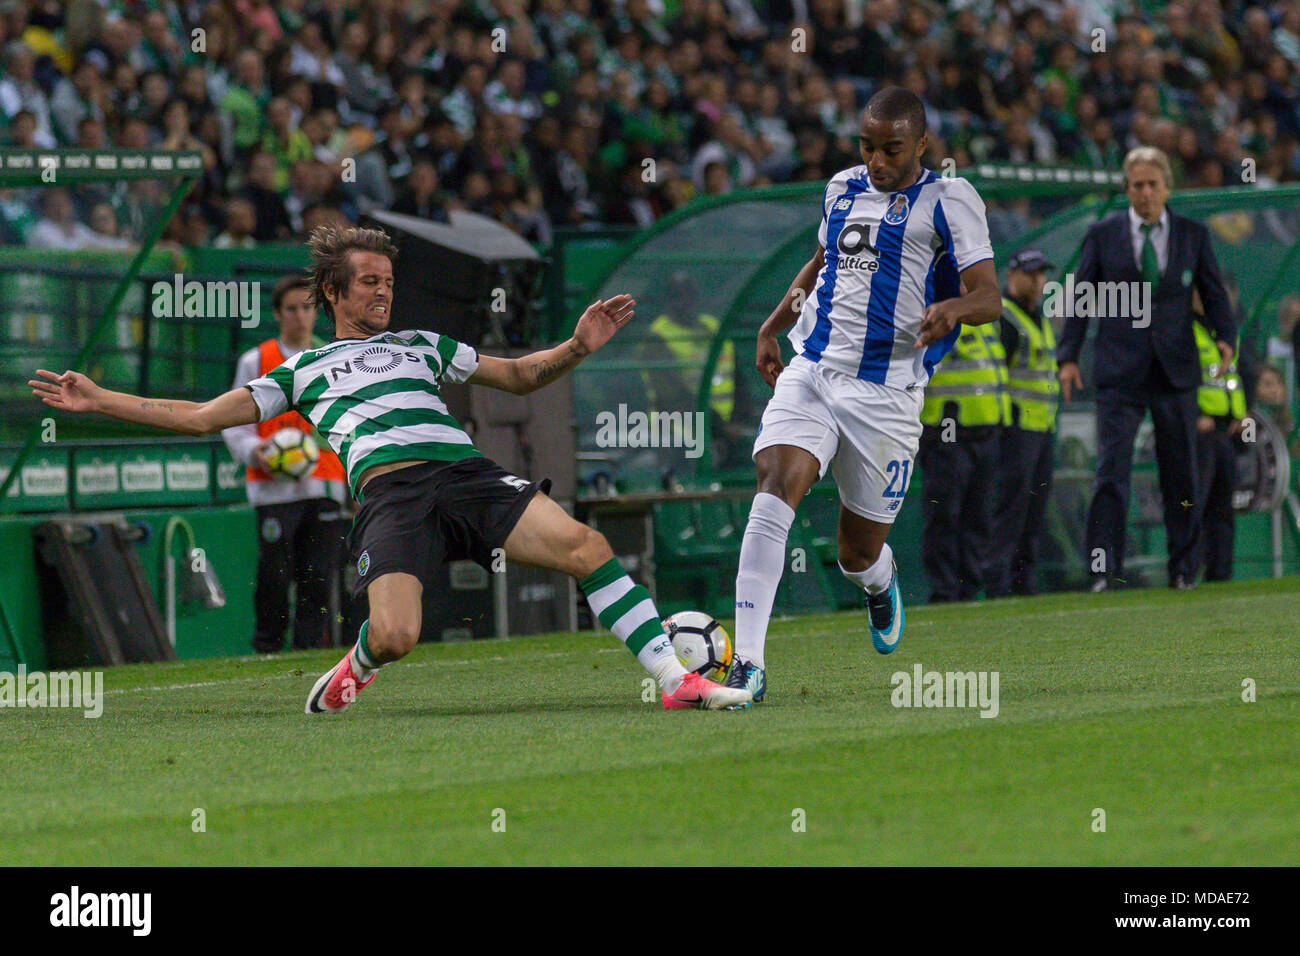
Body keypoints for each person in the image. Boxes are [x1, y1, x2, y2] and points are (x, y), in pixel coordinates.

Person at [30, 225, 752, 714]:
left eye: (387, 280)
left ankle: (671, 679)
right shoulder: (302, 368)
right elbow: (197, 417)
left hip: (466, 474)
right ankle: (357, 666)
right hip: (390, 496)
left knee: (587, 547)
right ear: (334, 296)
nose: (382, 290)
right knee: (399, 635)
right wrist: (101, 399)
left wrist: (578, 345)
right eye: (368, 281)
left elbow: (523, 376)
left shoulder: (425, 345)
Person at [726, 87, 1001, 702]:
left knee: (856, 552)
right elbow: (821, 263)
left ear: (922, 144)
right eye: (867, 146)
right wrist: (773, 325)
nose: (876, 161)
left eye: (891, 149)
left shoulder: (951, 201)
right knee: (778, 478)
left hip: (887, 393)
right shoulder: (843, 188)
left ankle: (879, 582)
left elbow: (991, 297)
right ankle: (748, 663)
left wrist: (953, 307)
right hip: (815, 368)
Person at [1057, 146, 1235, 591]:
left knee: (1181, 474)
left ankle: (1183, 570)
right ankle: (1102, 570)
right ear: (1127, 189)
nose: (1144, 193)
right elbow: (1080, 298)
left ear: (1167, 187)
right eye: (1136, 185)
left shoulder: (1194, 234)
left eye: (1152, 184)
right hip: (1119, 372)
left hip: (1176, 372)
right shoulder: (1102, 234)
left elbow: (1214, 294)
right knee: (1111, 472)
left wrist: (1225, 335)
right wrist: (1067, 356)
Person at [222, 275, 352, 653]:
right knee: (275, 577)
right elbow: (233, 421)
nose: (300, 316)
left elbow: (347, 425)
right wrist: (254, 451)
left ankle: (311, 650)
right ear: (278, 314)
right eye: (291, 309)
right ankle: (268, 646)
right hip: (272, 488)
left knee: (318, 578)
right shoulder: (257, 360)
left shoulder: (333, 358)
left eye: (307, 308)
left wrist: (355, 483)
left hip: (325, 485)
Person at [916, 304, 1010, 603]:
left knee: (978, 517)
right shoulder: (935, 314)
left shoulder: (986, 321)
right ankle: (944, 591)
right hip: (947, 432)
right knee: (944, 514)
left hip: (985, 431)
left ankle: (970, 589)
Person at [985, 249, 1059, 597]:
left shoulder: (1036, 317)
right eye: (1030, 274)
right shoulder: (1006, 318)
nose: (1038, 281)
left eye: (1041, 274)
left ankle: (1022, 582)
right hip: (1017, 430)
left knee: (1033, 512)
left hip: (1042, 429)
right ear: (1011, 275)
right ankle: (998, 583)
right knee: (1011, 510)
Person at [1191, 313, 1246, 582]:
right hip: (1201, 429)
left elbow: (1233, 376)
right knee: (1196, 501)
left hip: (1226, 429)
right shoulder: (1185, 329)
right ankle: (1188, 569)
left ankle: (1220, 573)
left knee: (1223, 505)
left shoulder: (1225, 329)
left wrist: (1240, 411)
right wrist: (1194, 414)